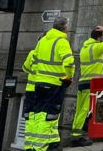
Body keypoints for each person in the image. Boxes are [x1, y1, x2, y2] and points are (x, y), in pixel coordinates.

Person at [26, 17, 75, 151]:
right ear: (64, 28)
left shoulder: (42, 41)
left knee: (39, 114)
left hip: (39, 83)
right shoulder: (62, 41)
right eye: (67, 27)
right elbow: (69, 62)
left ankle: (51, 143)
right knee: (48, 116)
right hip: (54, 84)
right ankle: (40, 147)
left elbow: (33, 61)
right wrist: (69, 77)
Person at [69, 26, 103, 147]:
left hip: (82, 82)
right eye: (102, 36)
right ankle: (78, 137)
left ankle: (76, 134)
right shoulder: (96, 48)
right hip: (92, 84)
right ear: (98, 37)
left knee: (80, 110)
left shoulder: (84, 48)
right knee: (86, 110)